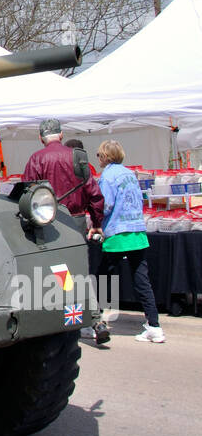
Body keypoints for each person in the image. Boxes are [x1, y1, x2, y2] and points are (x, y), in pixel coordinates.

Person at [23, 119, 109, 344]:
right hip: (77, 220)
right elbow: (95, 194)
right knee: (78, 269)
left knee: (54, 270)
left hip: (48, 221)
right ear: (61, 135)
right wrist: (97, 222)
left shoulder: (36, 159)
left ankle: (59, 318)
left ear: (41, 138)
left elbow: (27, 193)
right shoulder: (77, 157)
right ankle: (94, 318)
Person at [93, 140, 164, 343]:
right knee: (142, 279)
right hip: (137, 231)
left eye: (99, 155)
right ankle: (154, 326)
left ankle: (94, 322)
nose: (97, 158)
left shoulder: (107, 176)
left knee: (103, 279)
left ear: (105, 156)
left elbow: (105, 205)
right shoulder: (129, 174)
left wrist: (95, 220)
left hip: (118, 232)